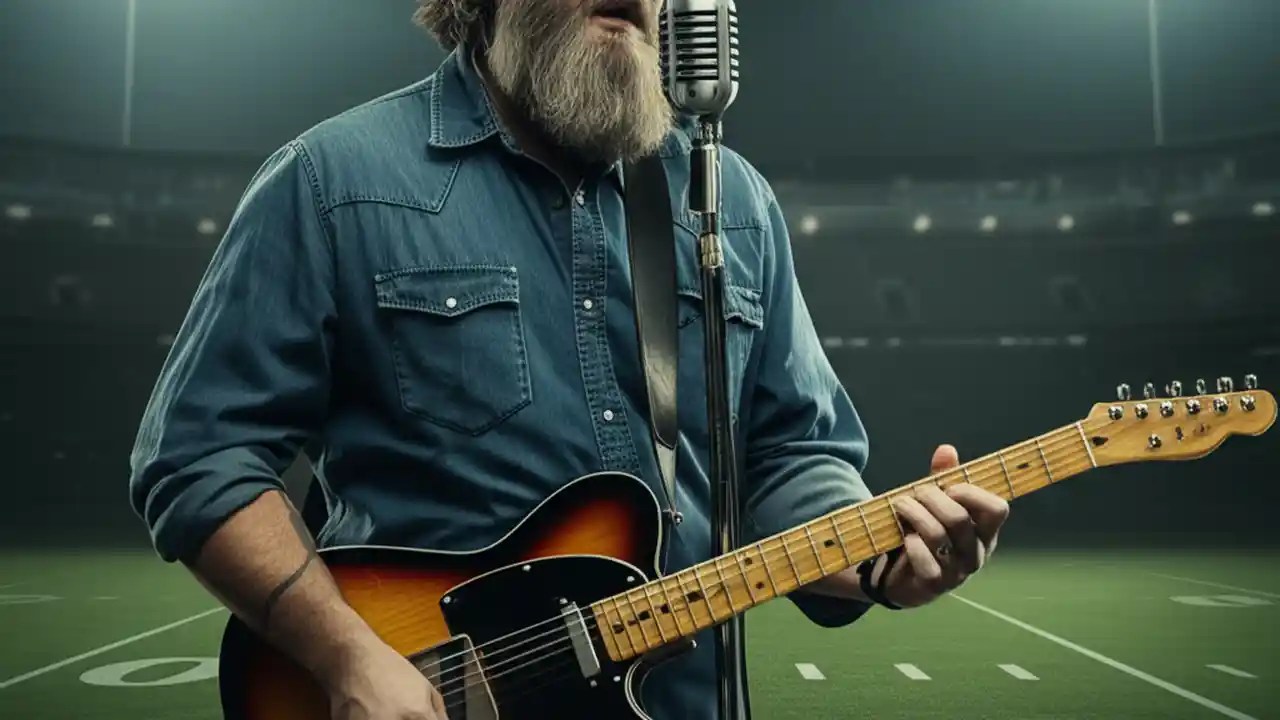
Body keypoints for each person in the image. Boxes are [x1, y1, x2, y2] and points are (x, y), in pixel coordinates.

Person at [128, 0, 1011, 718]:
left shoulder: (731, 200)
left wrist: (880, 562)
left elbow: (788, 456)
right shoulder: (331, 180)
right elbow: (201, 454)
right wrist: (346, 655)